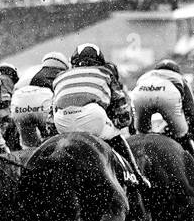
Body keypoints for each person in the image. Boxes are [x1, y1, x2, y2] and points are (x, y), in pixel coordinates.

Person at [51, 43, 149, 189]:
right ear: (99, 61)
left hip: (61, 120)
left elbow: (50, 116)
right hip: (92, 117)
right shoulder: (105, 72)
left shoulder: (60, 77)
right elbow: (122, 112)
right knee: (117, 137)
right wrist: (118, 123)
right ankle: (135, 177)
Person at [133, 58, 194, 193]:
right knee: (185, 134)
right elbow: (193, 115)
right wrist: (191, 128)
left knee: (140, 136)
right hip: (168, 95)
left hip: (141, 93)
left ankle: (130, 171)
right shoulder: (180, 78)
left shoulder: (145, 76)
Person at [10, 51, 68, 149]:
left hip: (19, 103)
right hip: (43, 102)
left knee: (29, 148)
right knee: (53, 144)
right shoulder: (61, 73)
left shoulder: (32, 70)